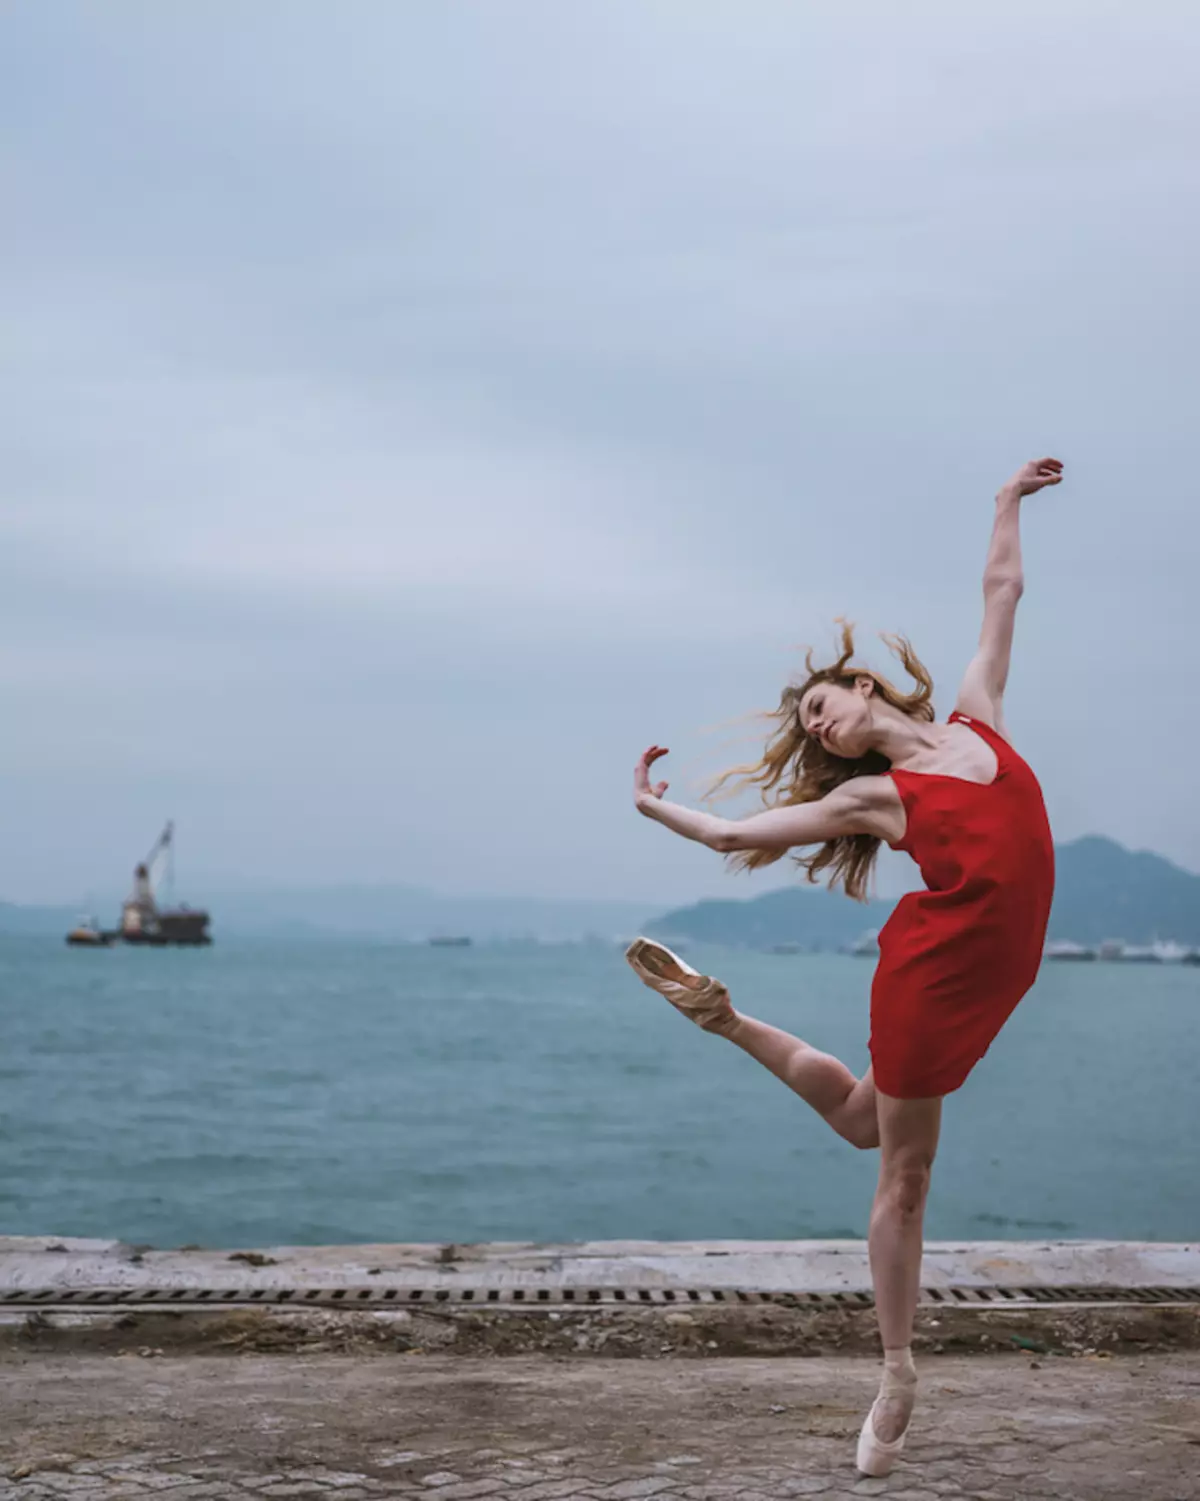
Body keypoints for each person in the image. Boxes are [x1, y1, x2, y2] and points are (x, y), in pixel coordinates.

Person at [625, 457, 1063, 1477]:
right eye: (812, 726)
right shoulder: (875, 798)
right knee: (901, 1170)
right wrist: (657, 806)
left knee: (867, 1115)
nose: (819, 725)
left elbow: (1001, 595)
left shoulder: (977, 717)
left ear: (862, 687)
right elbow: (736, 837)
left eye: (824, 705)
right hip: (937, 968)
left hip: (1002, 967)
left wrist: (1004, 505)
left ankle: (724, 1017)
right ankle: (899, 1370)